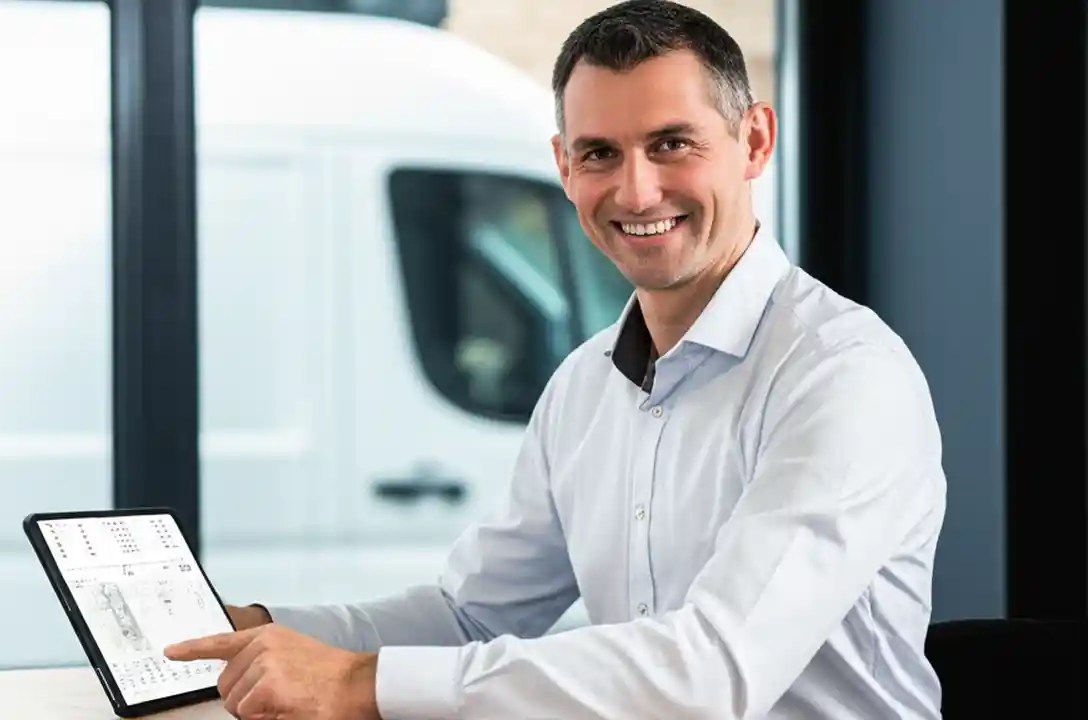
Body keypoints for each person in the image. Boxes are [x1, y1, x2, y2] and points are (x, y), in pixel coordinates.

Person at [163, 1, 948, 717]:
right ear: (564, 166)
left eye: (671, 144)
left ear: (754, 142)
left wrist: (359, 684)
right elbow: (470, 615)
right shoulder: (584, 386)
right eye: (600, 153)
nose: (637, 192)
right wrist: (265, 633)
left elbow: (710, 672)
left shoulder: (842, 374)